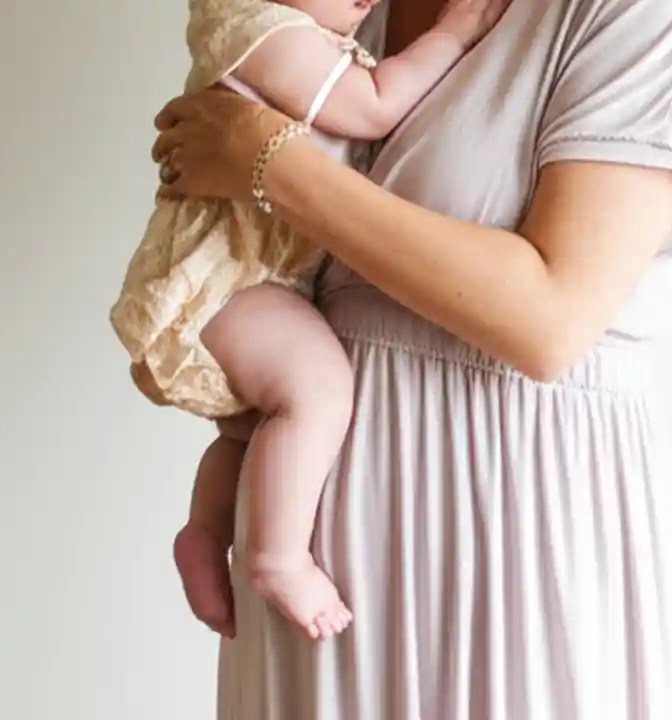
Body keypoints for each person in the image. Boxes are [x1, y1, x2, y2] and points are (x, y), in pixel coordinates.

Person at [153, 0, 672, 716]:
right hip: (308, 561)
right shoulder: (327, 13)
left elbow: (549, 321)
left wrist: (265, 158)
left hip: (510, 511)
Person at [112, 0, 506, 642]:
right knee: (317, 389)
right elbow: (374, 107)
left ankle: (206, 530)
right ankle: (277, 558)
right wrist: (457, 30)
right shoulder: (264, 33)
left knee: (251, 431)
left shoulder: (299, 33)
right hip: (228, 280)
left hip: (254, 278)